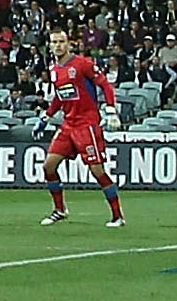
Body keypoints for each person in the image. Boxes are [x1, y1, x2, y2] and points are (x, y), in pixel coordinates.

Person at [39, 26, 124, 225]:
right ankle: (60, 210)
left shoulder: (82, 64)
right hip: (68, 124)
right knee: (48, 166)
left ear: (69, 44)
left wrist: (111, 109)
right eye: (54, 42)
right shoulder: (54, 70)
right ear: (50, 46)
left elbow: (105, 85)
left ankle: (117, 216)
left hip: (87, 124)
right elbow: (60, 97)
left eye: (61, 42)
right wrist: (46, 117)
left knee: (97, 171)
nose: (58, 46)